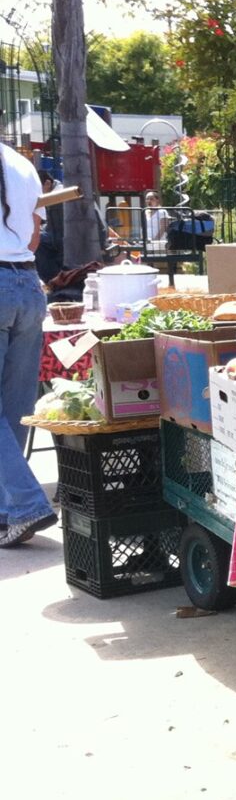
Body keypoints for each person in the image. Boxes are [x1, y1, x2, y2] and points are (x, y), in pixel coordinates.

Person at [0, 141, 56, 546]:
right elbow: (34, 236)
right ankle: (7, 510)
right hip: (26, 283)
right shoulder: (21, 163)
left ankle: (23, 504)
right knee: (15, 406)